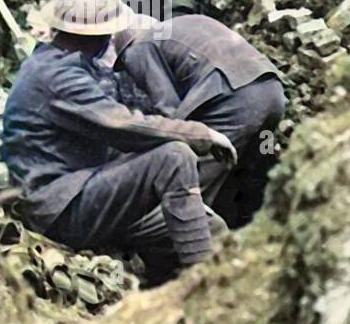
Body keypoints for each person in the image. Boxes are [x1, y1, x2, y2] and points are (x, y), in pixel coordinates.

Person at [1, 0, 237, 280]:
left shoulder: (61, 65)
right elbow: (122, 126)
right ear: (98, 36)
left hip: (83, 192)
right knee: (174, 157)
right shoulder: (56, 76)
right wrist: (199, 134)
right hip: (59, 208)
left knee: (212, 230)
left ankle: (180, 300)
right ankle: (203, 287)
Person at [112, 13, 286, 226]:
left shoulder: (138, 48)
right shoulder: (185, 25)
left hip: (235, 103)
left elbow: (168, 108)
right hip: (272, 94)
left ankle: (188, 252)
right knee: (256, 167)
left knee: (191, 181)